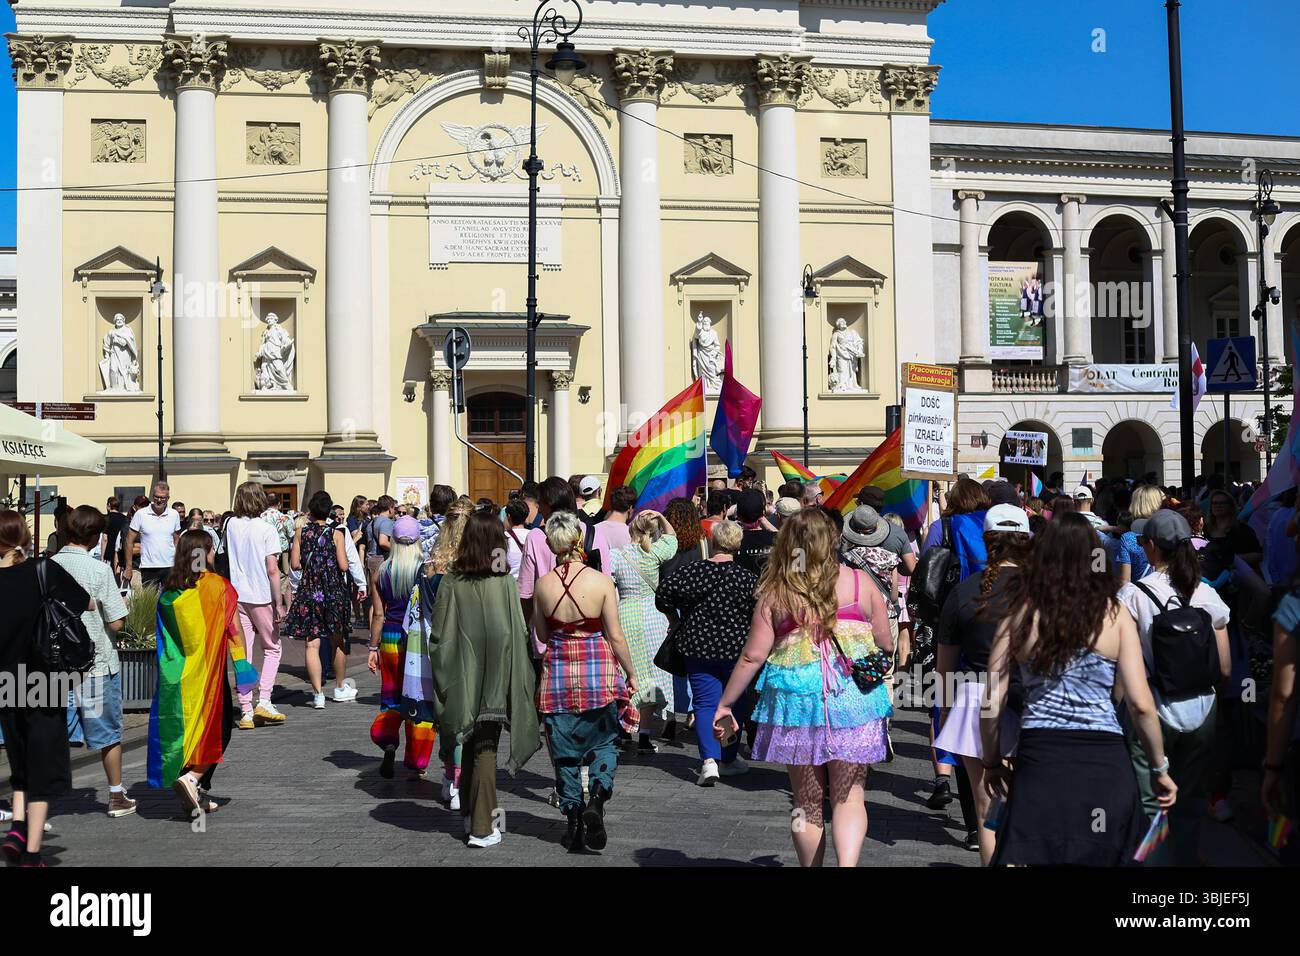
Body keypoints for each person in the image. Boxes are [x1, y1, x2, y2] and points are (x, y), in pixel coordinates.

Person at [980, 513, 1177, 866]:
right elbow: (1141, 704)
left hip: (1042, 758)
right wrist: (1159, 769)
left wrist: (992, 761)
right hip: (1105, 761)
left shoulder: (1020, 614)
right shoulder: (1114, 613)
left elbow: (992, 699)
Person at [714, 509, 894, 867]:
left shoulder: (777, 592)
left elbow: (752, 656)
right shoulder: (861, 582)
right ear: (834, 541)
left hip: (796, 704)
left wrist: (725, 704)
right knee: (850, 797)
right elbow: (886, 644)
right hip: (852, 700)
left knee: (805, 803)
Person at [1117, 509, 1230, 866]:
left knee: (1153, 807)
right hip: (1202, 712)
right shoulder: (1207, 594)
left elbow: (1125, 674)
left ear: (1150, 547)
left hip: (1153, 713)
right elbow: (1224, 668)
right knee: (1191, 806)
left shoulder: (1132, 596)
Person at [427, 511, 540, 847]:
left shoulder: (451, 580)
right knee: (486, 748)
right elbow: (516, 632)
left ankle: (469, 817)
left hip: (462, 677)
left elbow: (439, 635)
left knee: (469, 742)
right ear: (496, 544)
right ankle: (483, 826)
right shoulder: (504, 582)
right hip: (494, 680)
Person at [532, 511, 639, 852]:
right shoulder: (600, 581)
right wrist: (631, 672)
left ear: (552, 543)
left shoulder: (543, 585)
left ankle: (574, 821)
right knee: (605, 742)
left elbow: (541, 633)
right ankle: (596, 796)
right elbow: (616, 635)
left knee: (564, 754)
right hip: (599, 672)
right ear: (580, 542)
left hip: (559, 674)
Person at [934, 503, 1033, 862]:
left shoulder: (963, 592)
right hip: (1033, 701)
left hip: (975, 701)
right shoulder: (1046, 591)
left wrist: (944, 711)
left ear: (986, 542)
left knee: (987, 809)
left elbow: (944, 667)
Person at [0, 511, 90, 866]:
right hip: (43, 679)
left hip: (6, 681)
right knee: (43, 768)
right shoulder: (43, 570)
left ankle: (18, 829)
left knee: (20, 757)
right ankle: (32, 852)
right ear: (23, 535)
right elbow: (84, 602)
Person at [149, 529, 258, 817]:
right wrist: (242, 668)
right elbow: (233, 631)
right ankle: (194, 777)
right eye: (210, 550)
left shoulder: (169, 590)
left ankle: (196, 790)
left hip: (178, 676)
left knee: (187, 731)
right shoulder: (219, 586)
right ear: (204, 552)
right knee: (218, 730)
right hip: (208, 675)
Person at [656, 520, 759, 785]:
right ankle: (726, 756)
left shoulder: (693, 572)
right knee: (732, 704)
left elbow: (663, 595)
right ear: (738, 545)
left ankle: (708, 761)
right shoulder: (746, 578)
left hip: (698, 646)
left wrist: (674, 620)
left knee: (704, 703)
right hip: (736, 650)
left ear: (712, 542)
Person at [52, 506, 133, 818]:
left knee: (52, 732)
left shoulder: (48, 566)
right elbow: (116, 623)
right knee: (107, 734)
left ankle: (37, 802)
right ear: (97, 536)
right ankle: (115, 796)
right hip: (95, 663)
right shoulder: (99, 570)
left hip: (56, 667)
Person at [366, 516, 435, 780]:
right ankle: (417, 759)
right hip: (416, 640)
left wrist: (373, 648)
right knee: (418, 698)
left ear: (392, 540)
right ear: (418, 540)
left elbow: (378, 615)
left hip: (391, 638)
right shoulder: (424, 570)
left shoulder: (381, 572)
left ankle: (386, 738)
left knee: (392, 694)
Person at [610, 510, 679, 750]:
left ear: (631, 529)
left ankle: (626, 726)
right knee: (651, 674)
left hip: (626, 612)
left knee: (630, 672)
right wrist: (660, 516)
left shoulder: (615, 555)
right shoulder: (653, 553)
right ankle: (645, 735)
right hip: (653, 615)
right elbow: (673, 538)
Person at [224, 481, 288, 729]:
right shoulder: (266, 528)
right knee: (272, 647)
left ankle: (246, 709)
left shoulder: (230, 525)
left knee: (243, 652)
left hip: (238, 595)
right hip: (261, 594)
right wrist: (279, 600)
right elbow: (272, 569)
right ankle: (265, 699)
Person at [282, 491, 354, 708]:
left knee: (311, 644)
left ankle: (318, 694)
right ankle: (340, 687)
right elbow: (343, 566)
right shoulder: (336, 534)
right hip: (333, 591)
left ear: (311, 511)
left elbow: (294, 564)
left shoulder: (301, 533)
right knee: (337, 640)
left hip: (310, 589)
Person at [124, 480, 181, 590]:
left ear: (168, 498)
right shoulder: (141, 514)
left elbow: (177, 541)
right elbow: (129, 540)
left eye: (162, 498)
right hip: (148, 567)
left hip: (170, 566)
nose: (159, 500)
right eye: (156, 497)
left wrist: (178, 563)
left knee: (169, 602)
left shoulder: (174, 515)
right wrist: (128, 567)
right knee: (150, 604)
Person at [734, 488, 777, 574]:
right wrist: (763, 519)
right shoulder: (775, 539)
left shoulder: (732, 542)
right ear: (763, 512)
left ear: (738, 515)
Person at [502, 498, 529, 579]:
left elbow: (497, 568)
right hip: (529, 585)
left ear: (509, 516)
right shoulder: (534, 535)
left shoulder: (503, 537)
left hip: (509, 585)